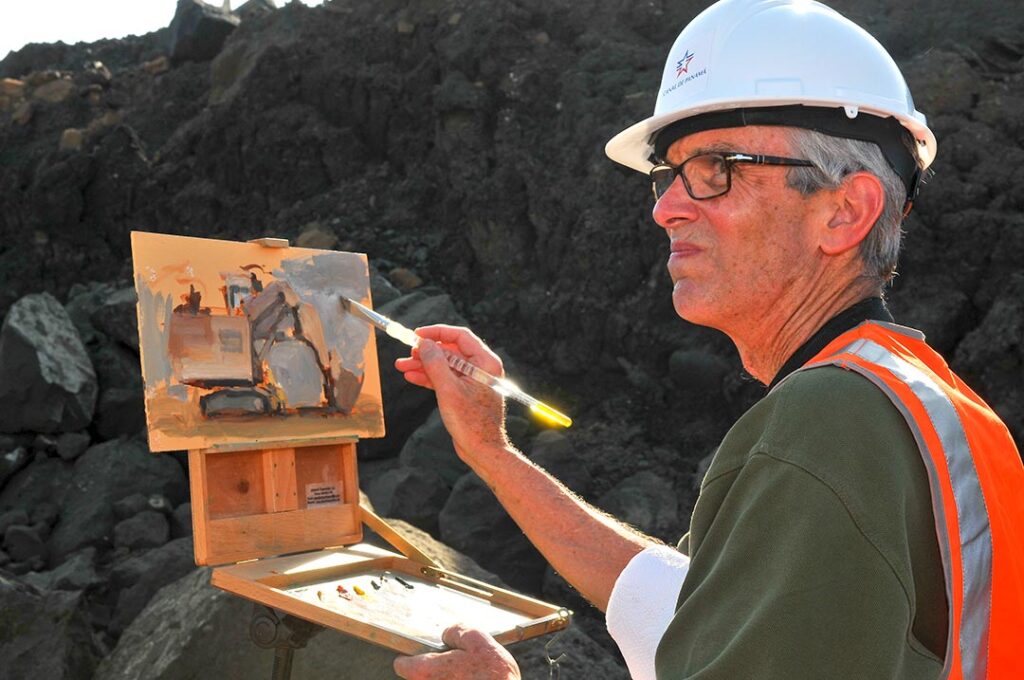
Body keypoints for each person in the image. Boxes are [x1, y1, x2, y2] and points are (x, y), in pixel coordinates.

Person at [391, 0, 1024, 678]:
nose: (664, 207)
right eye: (670, 172)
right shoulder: (907, 396)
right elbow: (688, 603)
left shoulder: (825, 428)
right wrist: (491, 448)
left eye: (717, 168)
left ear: (845, 211)